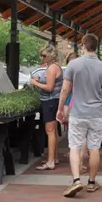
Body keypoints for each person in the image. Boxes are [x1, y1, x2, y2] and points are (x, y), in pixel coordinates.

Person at [57, 34, 102, 198]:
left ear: (83, 45)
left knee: (74, 146)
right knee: (94, 148)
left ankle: (76, 180)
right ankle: (92, 182)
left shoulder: (74, 64)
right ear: (95, 47)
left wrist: (60, 109)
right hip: (96, 114)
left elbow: (65, 90)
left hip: (77, 113)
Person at [30, 43, 63, 171]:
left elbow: (49, 88)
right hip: (54, 100)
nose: (42, 58)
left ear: (50, 55)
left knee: (50, 131)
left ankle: (50, 161)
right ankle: (53, 157)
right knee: (53, 131)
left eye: (44, 55)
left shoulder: (51, 68)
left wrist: (35, 83)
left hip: (49, 101)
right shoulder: (55, 67)